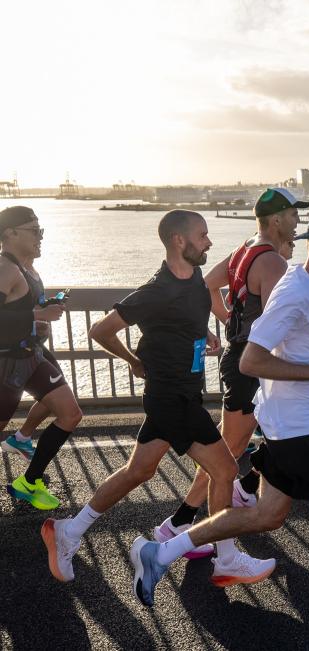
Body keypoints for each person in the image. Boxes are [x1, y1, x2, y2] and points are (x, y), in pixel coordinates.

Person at [128, 207, 309, 638]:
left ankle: (162, 552)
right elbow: (252, 359)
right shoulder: (294, 289)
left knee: (267, 515)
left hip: (290, 425)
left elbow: (298, 340)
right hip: (294, 430)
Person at [41, 210, 272, 587]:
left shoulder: (195, 277)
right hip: (173, 399)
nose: (209, 242)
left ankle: (70, 529)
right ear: (179, 241)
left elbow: (189, 317)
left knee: (140, 470)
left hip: (177, 395)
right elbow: (101, 330)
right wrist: (133, 361)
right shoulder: (156, 291)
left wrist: (204, 337)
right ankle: (226, 558)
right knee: (226, 471)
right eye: (202, 236)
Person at [155, 187, 303, 557]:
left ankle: (242, 490)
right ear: (275, 220)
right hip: (251, 366)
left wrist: (228, 321)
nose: (298, 220)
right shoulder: (272, 262)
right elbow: (279, 323)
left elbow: (208, 284)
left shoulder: (244, 249)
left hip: (239, 358)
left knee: (244, 444)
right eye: (292, 214)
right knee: (228, 450)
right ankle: (180, 524)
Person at [1, 206, 84, 509]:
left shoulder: (26, 269)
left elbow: (18, 309)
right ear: (10, 233)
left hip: (31, 356)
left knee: (71, 414)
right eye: (34, 231)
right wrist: (38, 313)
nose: (40, 237)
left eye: (41, 231)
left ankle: (29, 481)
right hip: (6, 364)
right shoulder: (4, 268)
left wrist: (44, 308)